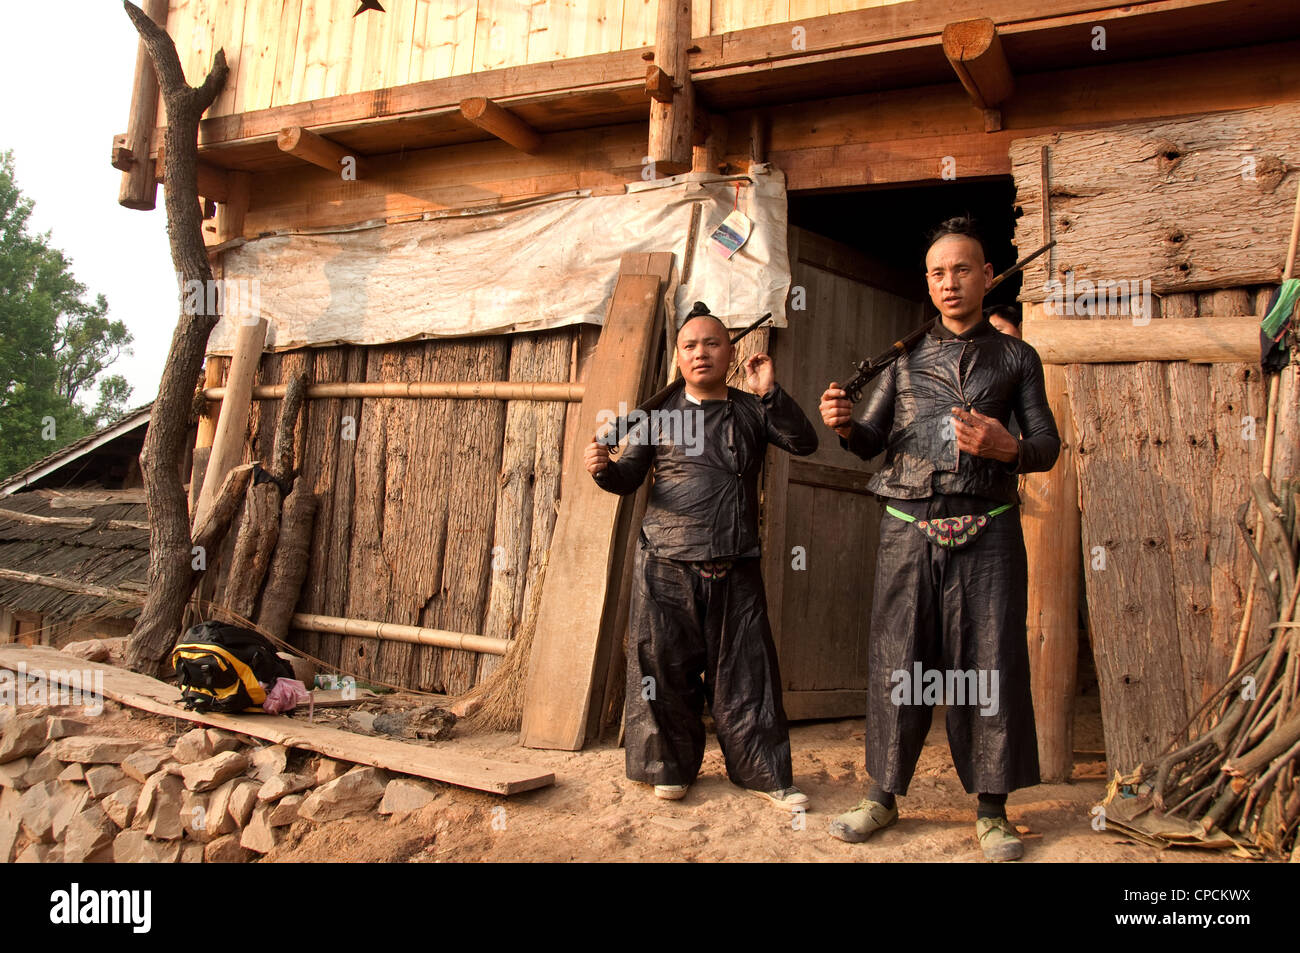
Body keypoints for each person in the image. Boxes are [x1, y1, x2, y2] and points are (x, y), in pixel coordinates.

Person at [818, 218, 1061, 860]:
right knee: (898, 660)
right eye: (937, 273)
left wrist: (1009, 448)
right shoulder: (902, 360)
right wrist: (845, 426)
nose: (949, 282)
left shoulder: (1017, 357)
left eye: (962, 269)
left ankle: (993, 810)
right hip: (908, 528)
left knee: (990, 662)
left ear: (987, 276)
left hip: (990, 531)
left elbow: (1047, 444)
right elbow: (871, 442)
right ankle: (881, 796)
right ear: (927, 284)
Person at [585, 304, 818, 809]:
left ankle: (765, 775)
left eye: (712, 343)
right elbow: (628, 479)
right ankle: (668, 768)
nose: (701, 353)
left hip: (736, 562)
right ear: (678, 357)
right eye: (690, 345)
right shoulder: (657, 416)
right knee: (663, 670)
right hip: (665, 563)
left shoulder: (752, 409)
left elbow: (805, 442)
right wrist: (603, 468)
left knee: (747, 674)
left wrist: (770, 392)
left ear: (730, 352)